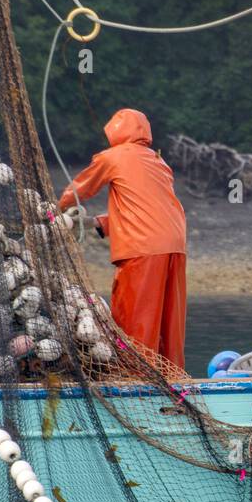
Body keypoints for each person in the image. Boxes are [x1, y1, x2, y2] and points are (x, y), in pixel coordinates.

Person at [57, 108, 188, 370]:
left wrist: (57, 209)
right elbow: (145, 207)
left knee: (136, 317)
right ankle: (173, 378)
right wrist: (99, 223)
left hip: (142, 248)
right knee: (168, 322)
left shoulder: (114, 156)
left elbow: (80, 190)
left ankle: (137, 377)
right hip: (175, 245)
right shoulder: (158, 161)